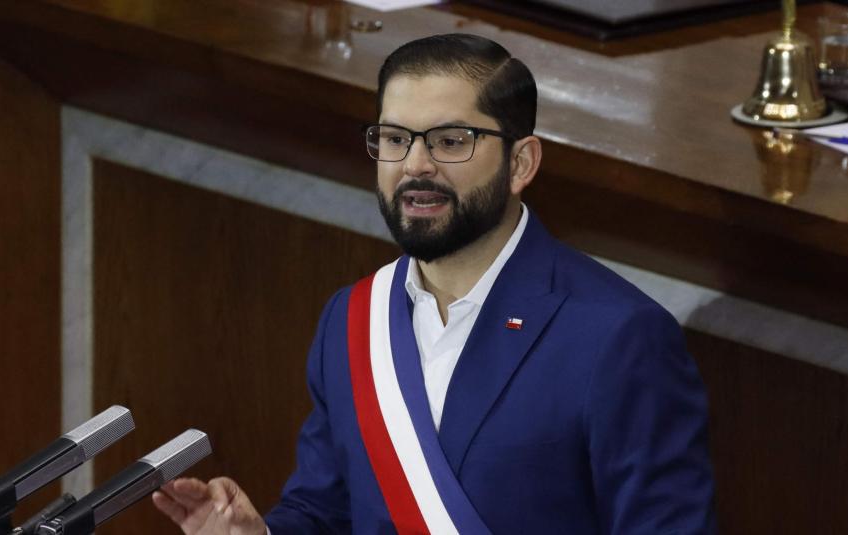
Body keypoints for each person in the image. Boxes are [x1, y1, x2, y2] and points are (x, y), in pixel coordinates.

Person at [151, 33, 717, 534]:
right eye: (395, 139)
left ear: (521, 163)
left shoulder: (619, 338)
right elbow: (326, 512)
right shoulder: (350, 321)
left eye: (450, 141)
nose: (415, 165)